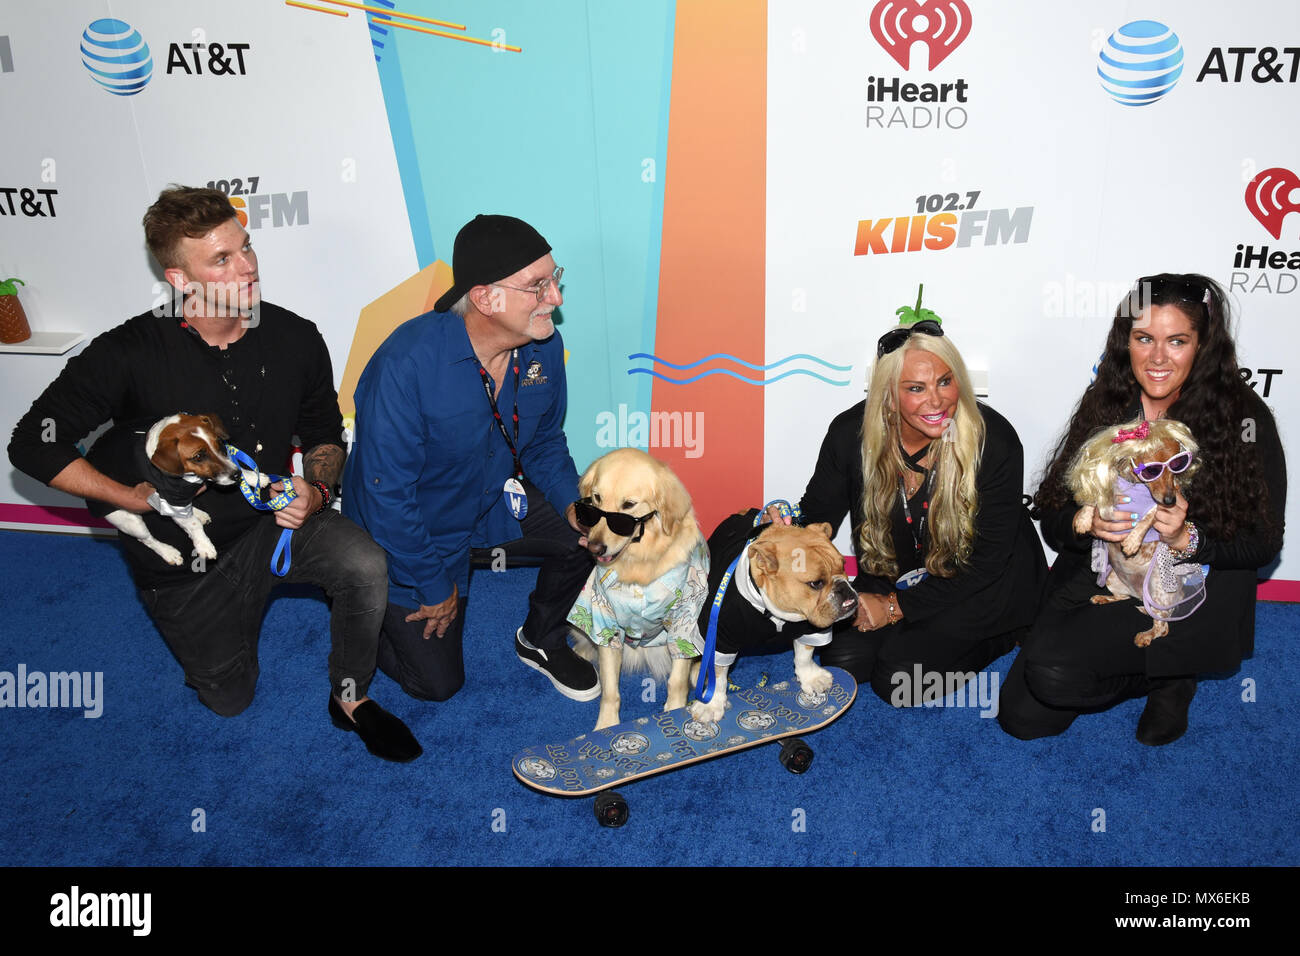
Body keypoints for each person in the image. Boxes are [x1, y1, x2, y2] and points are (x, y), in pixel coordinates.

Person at [7, 185, 421, 761]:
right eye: (221, 259)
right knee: (230, 699)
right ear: (180, 281)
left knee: (364, 562)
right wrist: (126, 496)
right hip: (185, 560)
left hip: (272, 522)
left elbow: (326, 434)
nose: (247, 266)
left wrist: (317, 488)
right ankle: (221, 639)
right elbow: (33, 443)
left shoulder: (295, 336)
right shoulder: (127, 351)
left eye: (245, 248)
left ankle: (351, 696)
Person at [999, 274, 1285, 745]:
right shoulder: (1107, 402)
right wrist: (1082, 521)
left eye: (1177, 341)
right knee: (1024, 718)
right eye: (1143, 338)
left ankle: (1173, 675)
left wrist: (1185, 538)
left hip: (1186, 588)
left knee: (1054, 672)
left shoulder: (1243, 418)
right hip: (1105, 574)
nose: (1157, 357)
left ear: (1203, 344)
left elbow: (1262, 542)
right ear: (1124, 342)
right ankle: (1145, 666)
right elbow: (1052, 512)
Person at [342, 214, 598, 704]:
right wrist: (434, 583)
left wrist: (574, 506)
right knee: (438, 686)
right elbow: (388, 497)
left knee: (587, 531)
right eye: (537, 286)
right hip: (414, 529)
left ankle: (540, 639)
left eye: (555, 278)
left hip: (494, 500)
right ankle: (362, 611)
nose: (556, 299)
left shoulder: (543, 346)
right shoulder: (406, 364)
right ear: (485, 298)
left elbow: (543, 442)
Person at [797, 306, 1047, 706]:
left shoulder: (993, 441)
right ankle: (914, 630)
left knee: (899, 683)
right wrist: (780, 527)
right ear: (888, 396)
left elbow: (986, 563)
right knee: (845, 661)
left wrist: (896, 608)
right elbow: (816, 516)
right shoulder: (851, 435)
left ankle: (1002, 634)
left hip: (981, 583)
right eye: (915, 388)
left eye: (946, 382)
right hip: (897, 571)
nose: (937, 401)